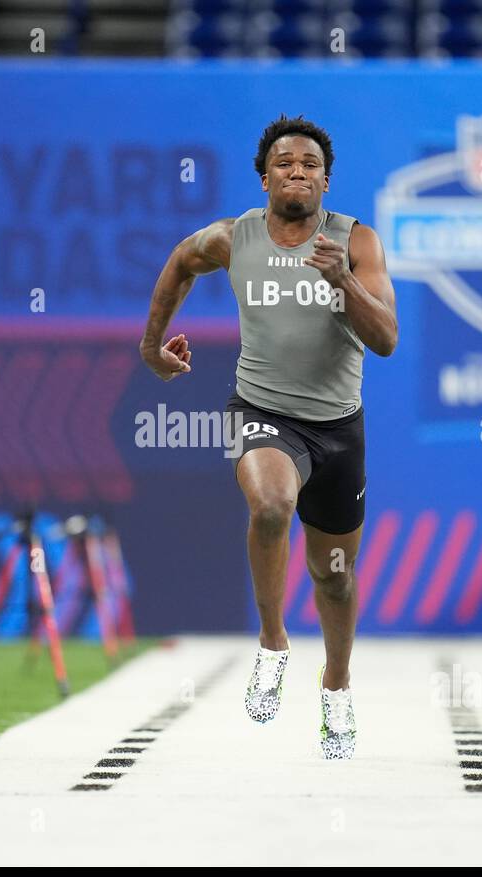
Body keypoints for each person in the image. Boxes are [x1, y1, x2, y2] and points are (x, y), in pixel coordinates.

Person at [138, 114, 398, 758]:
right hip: (261, 411)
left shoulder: (356, 243)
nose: (297, 172)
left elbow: (387, 340)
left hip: (339, 428)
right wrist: (151, 347)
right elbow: (179, 262)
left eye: (310, 165)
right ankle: (273, 642)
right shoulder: (234, 238)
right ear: (264, 178)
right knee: (272, 503)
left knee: (333, 574)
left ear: (326, 183)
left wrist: (341, 283)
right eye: (285, 163)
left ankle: (335, 687)